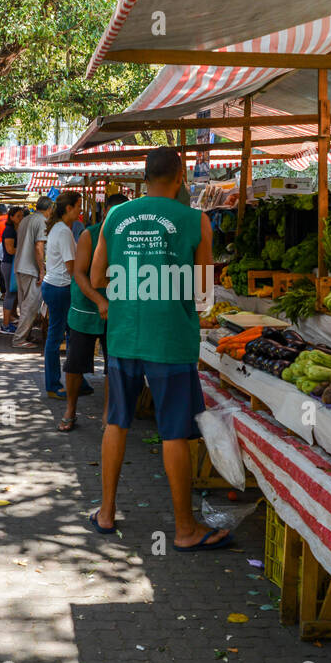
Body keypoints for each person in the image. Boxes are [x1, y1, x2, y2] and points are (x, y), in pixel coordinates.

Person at [89, 147, 225, 550]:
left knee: (116, 421)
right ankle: (184, 529)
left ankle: (107, 513)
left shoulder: (115, 216)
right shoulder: (196, 220)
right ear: (181, 176)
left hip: (125, 334)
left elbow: (97, 275)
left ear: (144, 176)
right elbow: (203, 293)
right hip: (171, 337)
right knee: (173, 433)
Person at [60, 192, 126, 431]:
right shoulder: (90, 234)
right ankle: (70, 409)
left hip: (117, 309)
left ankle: (108, 413)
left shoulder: (131, 236)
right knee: (76, 363)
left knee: (113, 365)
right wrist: (99, 300)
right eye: (112, 215)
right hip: (86, 307)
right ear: (105, 213)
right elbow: (78, 273)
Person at [40, 191, 82, 399]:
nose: (81, 210)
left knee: (72, 335)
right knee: (56, 338)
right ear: (69, 208)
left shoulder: (59, 228)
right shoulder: (64, 231)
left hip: (55, 286)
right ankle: (53, 384)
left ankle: (77, 380)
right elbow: (72, 267)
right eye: (78, 206)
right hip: (60, 288)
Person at [12, 196, 52, 347]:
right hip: (31, 268)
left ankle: (25, 335)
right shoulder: (41, 221)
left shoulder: (25, 220)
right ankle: (19, 339)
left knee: (25, 304)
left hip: (21, 266)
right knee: (31, 305)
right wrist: (42, 270)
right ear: (49, 209)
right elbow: (39, 246)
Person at [0, 206, 26, 333]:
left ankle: (8, 321)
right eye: (18, 216)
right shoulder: (9, 230)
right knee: (10, 294)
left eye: (22, 216)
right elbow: (10, 250)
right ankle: (5, 325)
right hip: (9, 264)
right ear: (11, 217)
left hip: (13, 264)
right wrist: (25, 249)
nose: (21, 218)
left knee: (12, 293)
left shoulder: (17, 229)